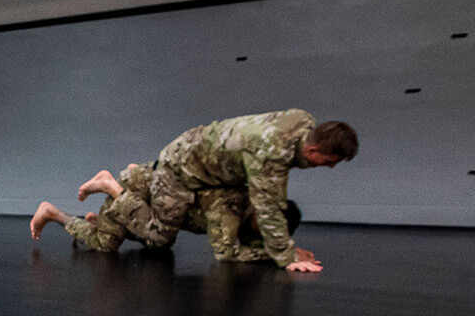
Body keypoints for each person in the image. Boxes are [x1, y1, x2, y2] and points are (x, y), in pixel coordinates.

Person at [31, 111, 355, 272]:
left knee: (150, 239)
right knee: (159, 238)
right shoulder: (269, 154)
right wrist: (283, 256)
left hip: (185, 166)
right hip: (179, 171)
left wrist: (283, 245)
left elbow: (273, 198)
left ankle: (115, 201)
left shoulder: (301, 123)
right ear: (313, 150)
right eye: (328, 161)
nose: (329, 168)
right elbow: (265, 207)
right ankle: (107, 188)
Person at [30, 162, 314, 265]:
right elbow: (226, 254)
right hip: (143, 191)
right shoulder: (232, 209)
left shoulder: (250, 213)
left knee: (159, 243)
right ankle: (56, 211)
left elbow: (253, 243)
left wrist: (285, 252)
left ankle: (105, 215)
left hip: (149, 194)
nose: (262, 233)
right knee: (105, 246)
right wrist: (280, 255)